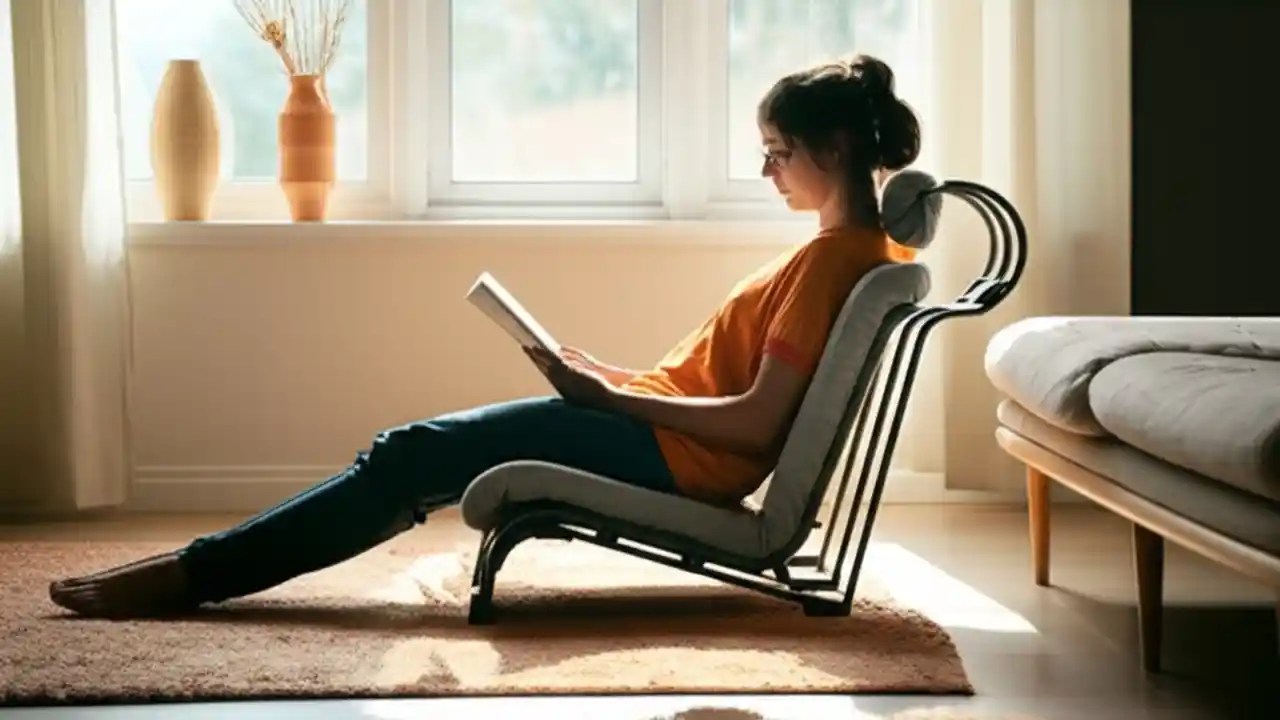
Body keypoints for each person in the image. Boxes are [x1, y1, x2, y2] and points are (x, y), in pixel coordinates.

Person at [49, 53, 922, 618]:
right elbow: (722, 387)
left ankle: (195, 575)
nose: (766, 169)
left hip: (675, 456)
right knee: (411, 458)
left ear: (835, 146)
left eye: (777, 151)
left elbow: (758, 423)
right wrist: (610, 378)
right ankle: (203, 569)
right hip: (654, 428)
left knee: (406, 458)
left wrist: (609, 398)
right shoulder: (843, 252)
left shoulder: (831, 262)